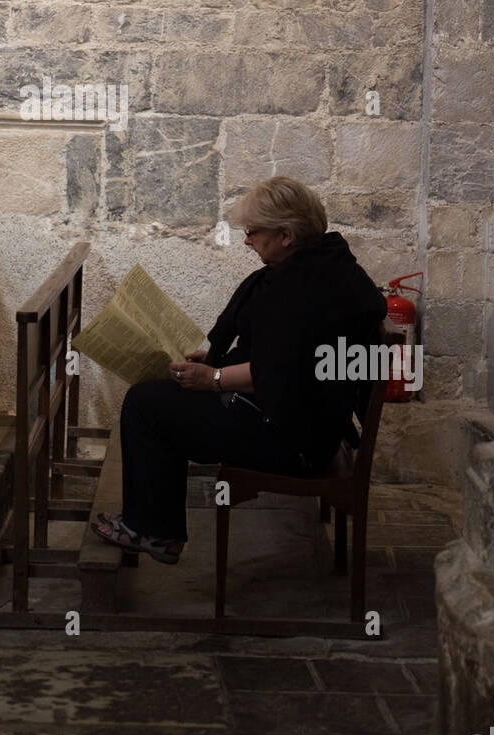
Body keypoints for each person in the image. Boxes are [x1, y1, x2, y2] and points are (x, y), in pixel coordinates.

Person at [92, 176, 388, 564]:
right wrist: (215, 365)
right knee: (158, 394)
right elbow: (281, 358)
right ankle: (155, 526)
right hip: (301, 421)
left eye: (253, 232)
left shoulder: (307, 289)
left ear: (285, 234)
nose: (247, 240)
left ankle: (153, 531)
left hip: (294, 441)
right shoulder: (324, 267)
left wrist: (214, 379)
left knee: (145, 406)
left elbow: (281, 373)